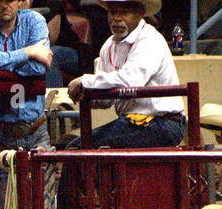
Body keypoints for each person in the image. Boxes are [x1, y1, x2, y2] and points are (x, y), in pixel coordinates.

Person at [67, 0, 185, 148]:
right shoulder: (108, 46)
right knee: (77, 146)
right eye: (112, 12)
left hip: (162, 124)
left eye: (124, 12)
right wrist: (86, 95)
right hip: (133, 123)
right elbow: (106, 99)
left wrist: (86, 83)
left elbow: (131, 80)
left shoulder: (149, 39)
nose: (116, 18)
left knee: (79, 147)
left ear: (140, 13)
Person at [0, 0, 54, 153]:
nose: (5, 5)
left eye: (10, 0)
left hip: (34, 132)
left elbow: (38, 67)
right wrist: (27, 52)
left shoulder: (34, 21)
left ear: (20, 2)